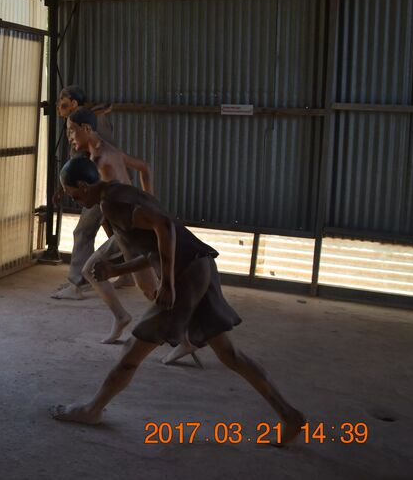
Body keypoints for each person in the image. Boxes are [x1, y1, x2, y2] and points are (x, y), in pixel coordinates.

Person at [50, 157, 305, 444]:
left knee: (132, 351)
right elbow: (154, 251)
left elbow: (165, 227)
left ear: (83, 185)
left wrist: (169, 283)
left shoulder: (112, 204)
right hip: (201, 264)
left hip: (185, 275)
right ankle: (289, 414)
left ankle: (92, 409)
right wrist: (115, 269)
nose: (74, 201)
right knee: (229, 354)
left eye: (73, 194)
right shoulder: (120, 191)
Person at [65, 107, 154, 343]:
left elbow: (103, 197)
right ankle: (121, 316)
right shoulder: (107, 151)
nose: (70, 138)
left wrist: (148, 206)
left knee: (151, 290)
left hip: (130, 231)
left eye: (72, 132)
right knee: (90, 270)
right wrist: (149, 199)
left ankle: (184, 335)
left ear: (86, 129)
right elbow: (145, 167)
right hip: (124, 226)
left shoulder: (98, 160)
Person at [51, 85, 120, 300]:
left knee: (82, 232)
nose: (57, 109)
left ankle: (77, 284)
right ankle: (127, 273)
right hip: (101, 185)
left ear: (73, 104)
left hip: (98, 186)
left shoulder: (92, 123)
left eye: (62, 104)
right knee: (117, 231)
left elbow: (94, 155)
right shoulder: (79, 122)